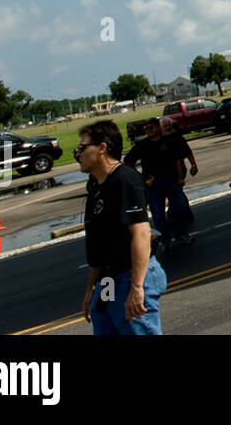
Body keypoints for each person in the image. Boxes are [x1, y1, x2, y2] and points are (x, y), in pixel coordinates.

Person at [77, 119, 167, 335]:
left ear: (102, 148)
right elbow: (98, 244)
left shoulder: (125, 180)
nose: (78, 153)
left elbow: (141, 233)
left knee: (136, 328)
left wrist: (137, 287)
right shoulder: (96, 187)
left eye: (82, 147)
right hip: (107, 280)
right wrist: (91, 288)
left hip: (130, 275)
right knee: (104, 322)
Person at [124, 118, 194, 247]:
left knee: (180, 207)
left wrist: (180, 177)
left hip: (171, 179)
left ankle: (181, 234)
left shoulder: (170, 140)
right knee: (157, 214)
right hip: (153, 183)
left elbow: (178, 159)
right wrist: (140, 177)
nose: (148, 131)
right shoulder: (142, 145)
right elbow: (128, 161)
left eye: (151, 128)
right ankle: (165, 240)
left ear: (158, 128)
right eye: (146, 129)